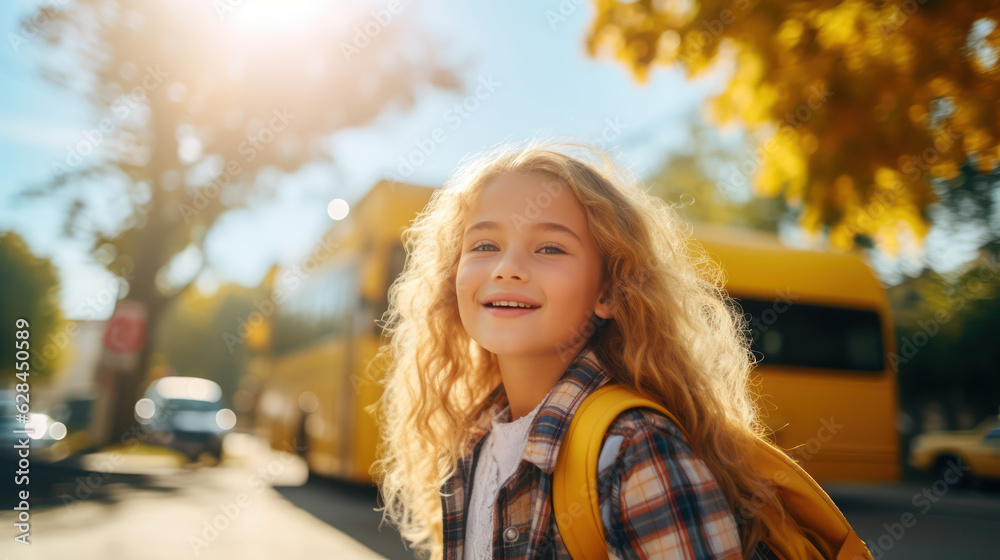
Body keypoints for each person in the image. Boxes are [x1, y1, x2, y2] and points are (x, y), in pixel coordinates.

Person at [369, 139, 786, 560]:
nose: (506, 267)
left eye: (550, 248)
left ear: (608, 291)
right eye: (484, 245)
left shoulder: (635, 450)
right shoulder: (472, 445)